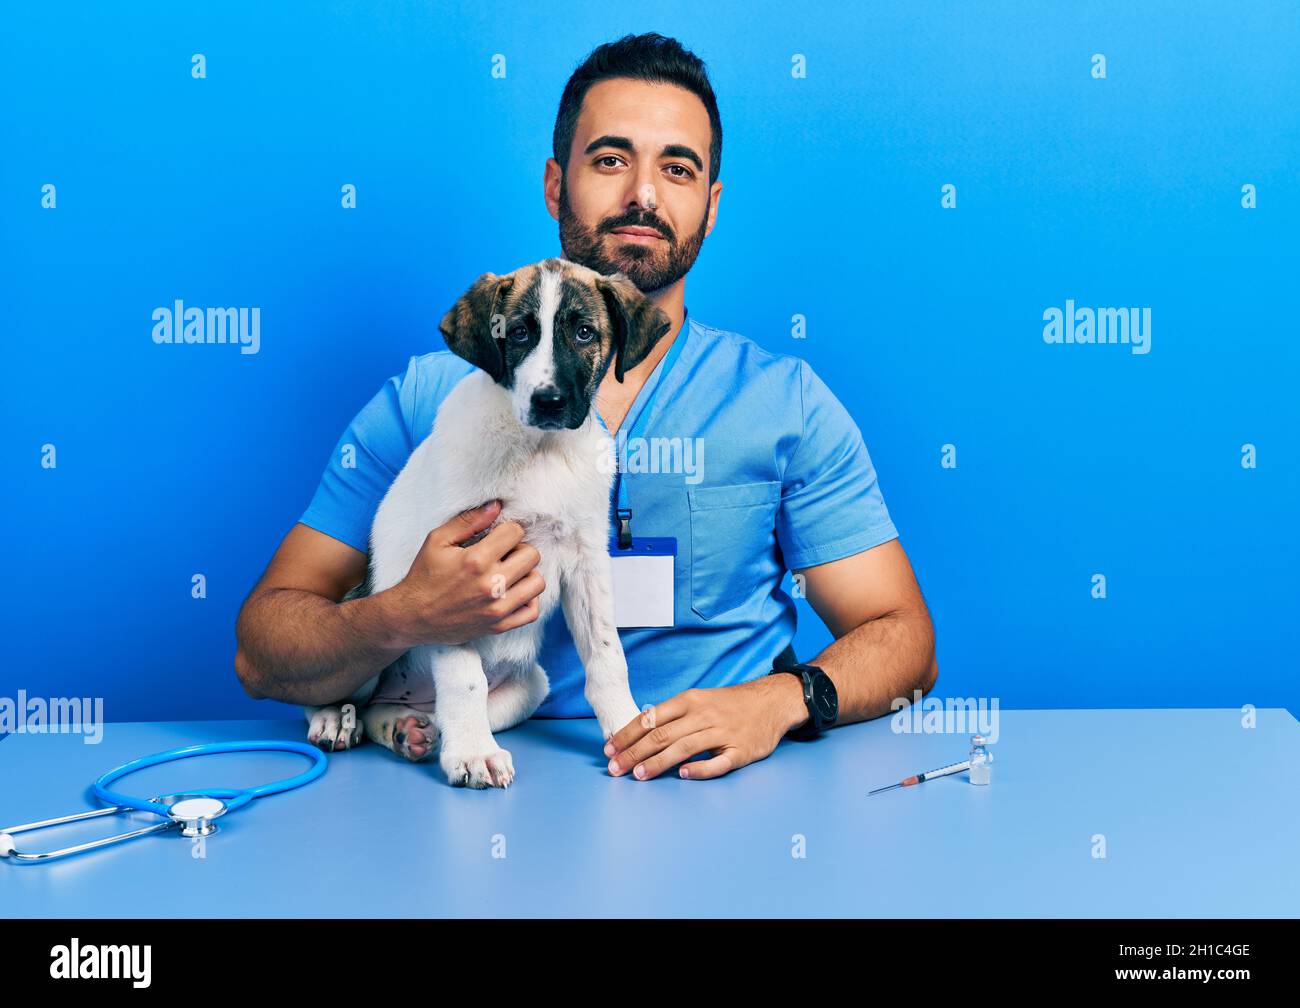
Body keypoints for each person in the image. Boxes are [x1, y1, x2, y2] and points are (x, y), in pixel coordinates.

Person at [235, 33, 937, 781]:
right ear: (553, 184)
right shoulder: (426, 401)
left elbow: (905, 643)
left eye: (677, 167)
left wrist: (778, 701)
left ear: (711, 203)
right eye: (610, 159)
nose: (643, 193)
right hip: (481, 774)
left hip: (712, 786)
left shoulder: (782, 403)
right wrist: (402, 613)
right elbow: (261, 654)